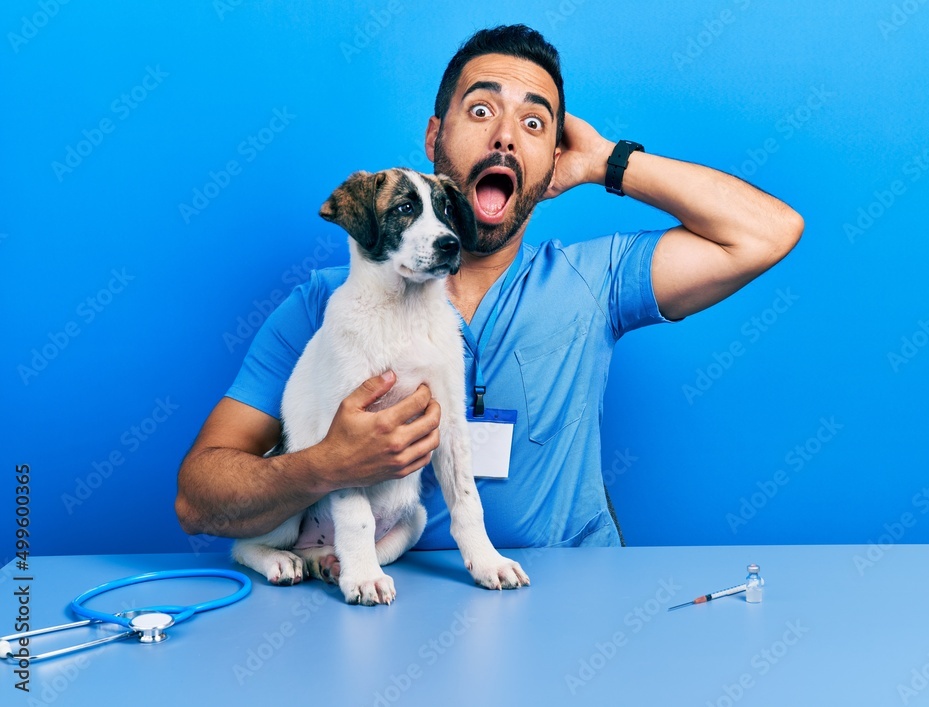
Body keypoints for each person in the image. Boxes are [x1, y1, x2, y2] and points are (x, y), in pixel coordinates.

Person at [175, 24, 803, 550]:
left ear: (551, 162)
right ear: (434, 137)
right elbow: (197, 501)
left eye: (534, 124)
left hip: (569, 599)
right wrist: (323, 466)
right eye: (481, 111)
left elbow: (767, 233)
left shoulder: (594, 282)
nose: (505, 135)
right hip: (399, 597)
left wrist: (606, 162)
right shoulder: (324, 307)